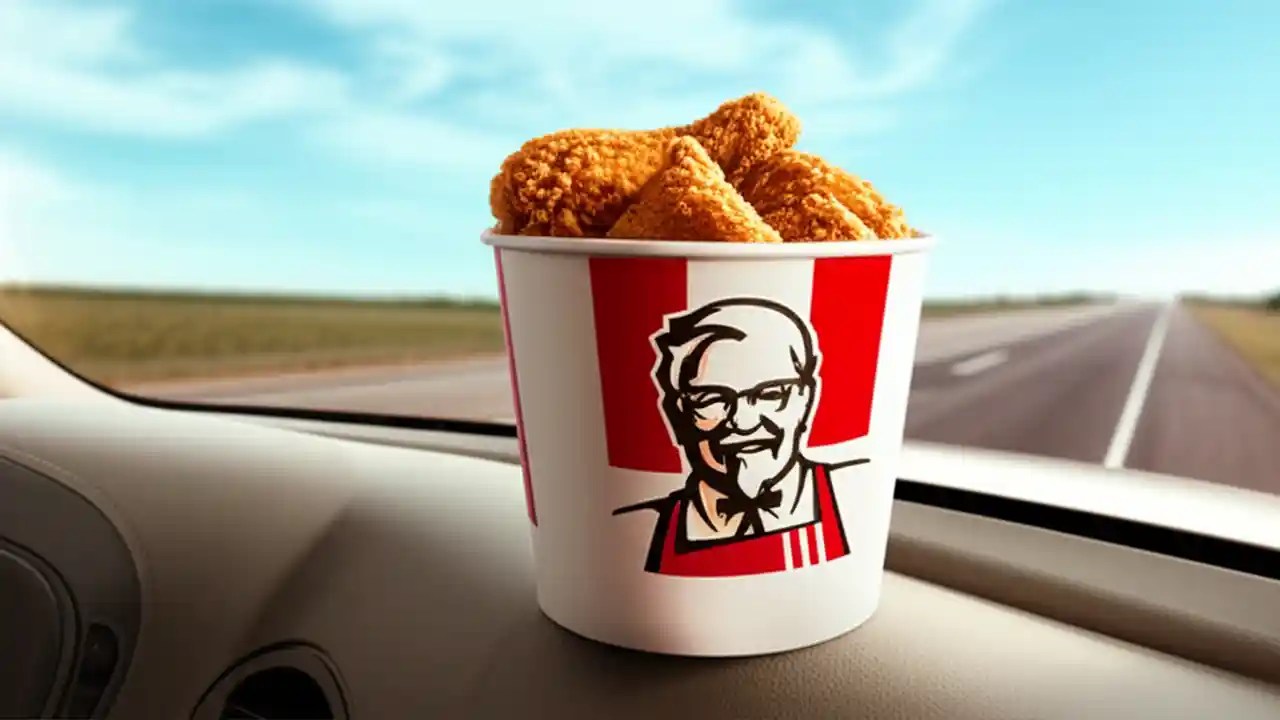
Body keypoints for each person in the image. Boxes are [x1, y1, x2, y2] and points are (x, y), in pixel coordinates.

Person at [614, 297, 864, 577]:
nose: (743, 423)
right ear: (677, 414)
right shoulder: (634, 529)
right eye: (711, 398)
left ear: (806, 400)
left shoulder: (855, 494)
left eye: (771, 394)